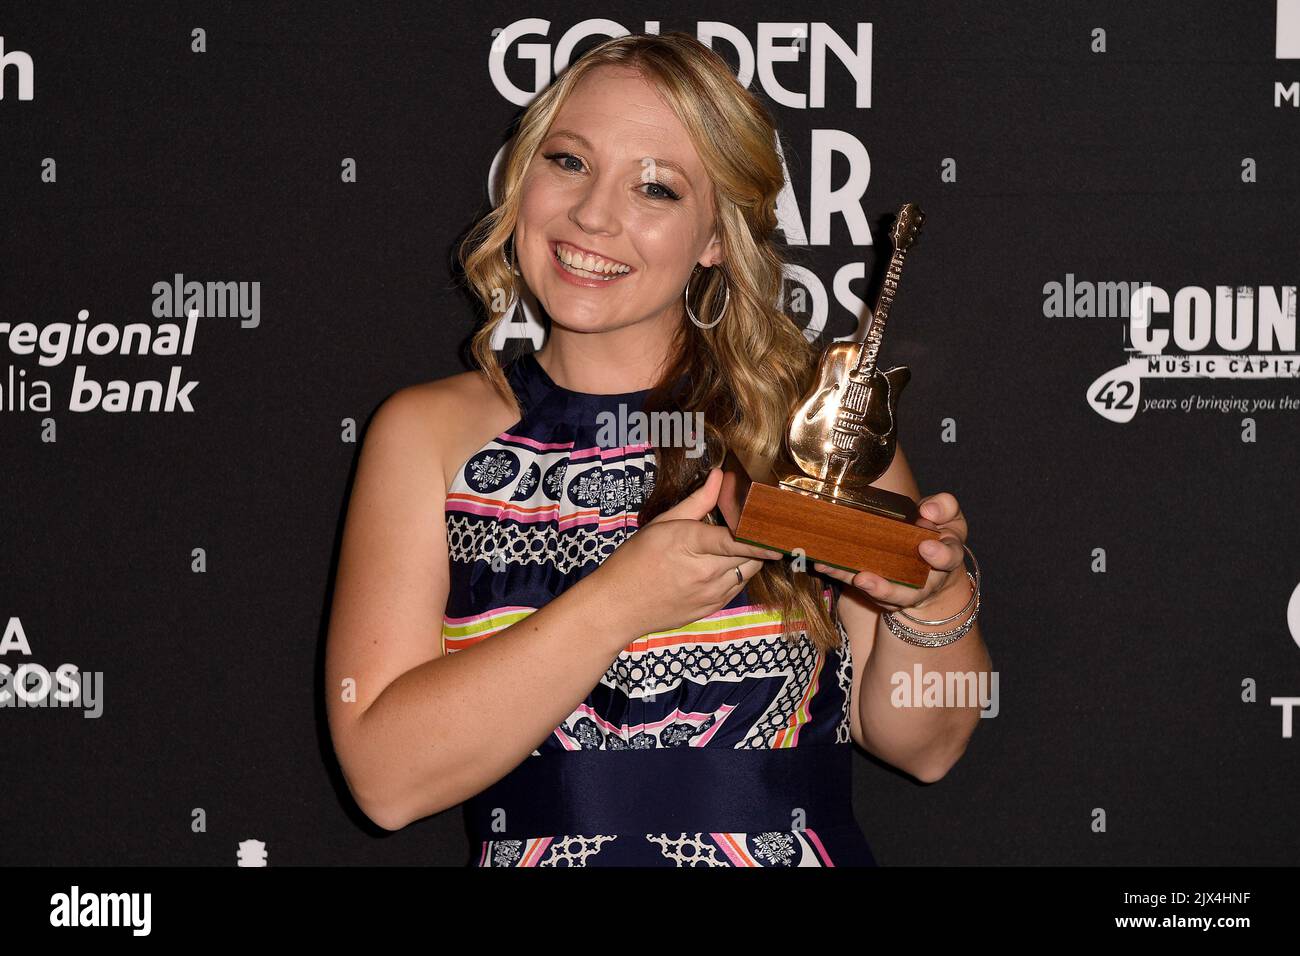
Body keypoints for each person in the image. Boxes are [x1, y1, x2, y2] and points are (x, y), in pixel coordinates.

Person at [324, 32, 990, 867]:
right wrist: (619, 603)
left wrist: (934, 602)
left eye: (655, 188)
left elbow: (923, 745)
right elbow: (386, 783)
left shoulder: (808, 427)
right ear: (520, 177)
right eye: (568, 162)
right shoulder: (428, 435)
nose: (594, 215)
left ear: (716, 237)